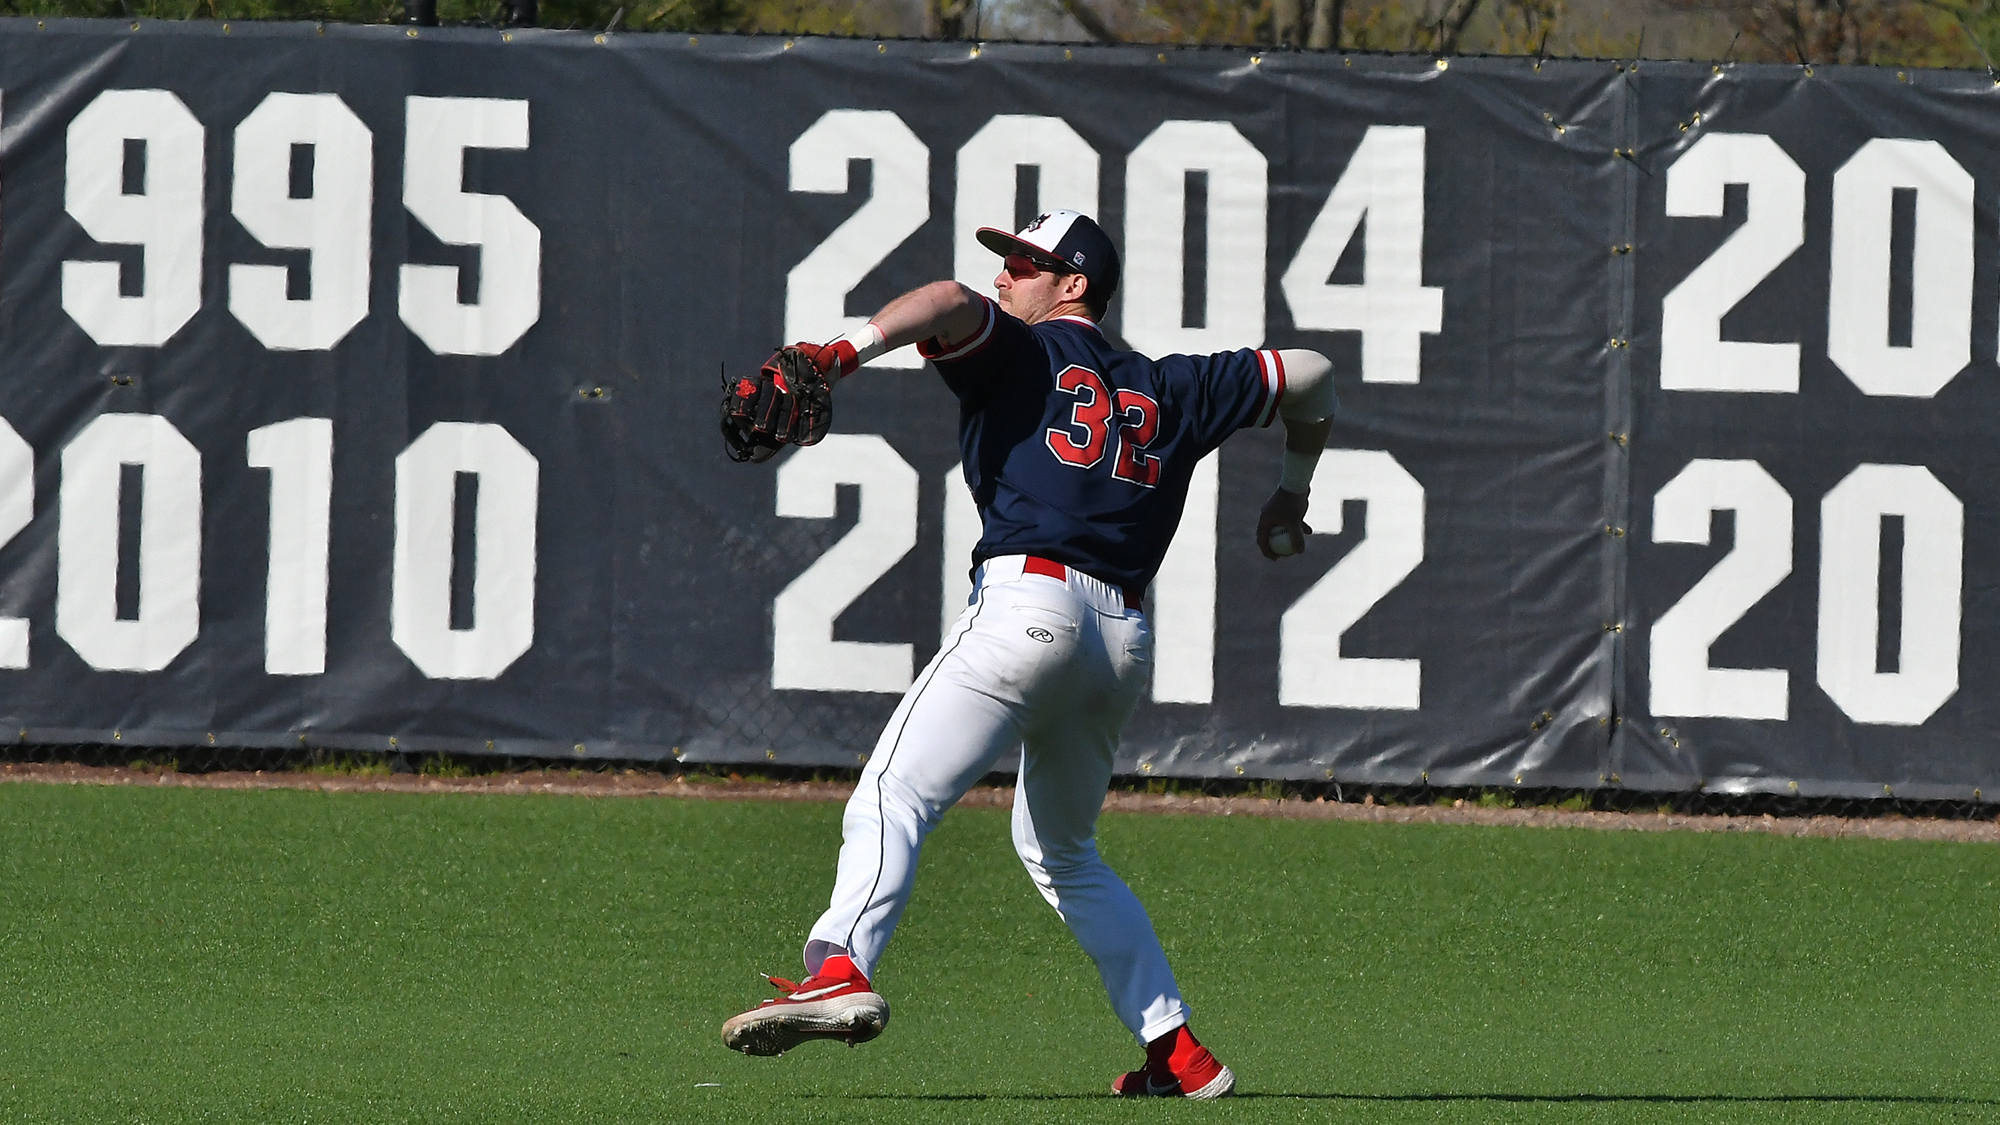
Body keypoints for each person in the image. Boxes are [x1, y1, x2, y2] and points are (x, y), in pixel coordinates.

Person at [720, 210, 1335, 1099]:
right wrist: (1291, 493)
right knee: (1064, 849)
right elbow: (1311, 373)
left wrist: (836, 354)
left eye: (1026, 262)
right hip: (1118, 642)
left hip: (1028, 608)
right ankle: (1179, 1052)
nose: (1006, 275)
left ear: (1074, 284)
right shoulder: (1175, 384)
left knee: (895, 791)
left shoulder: (1024, 350)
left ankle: (841, 964)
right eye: (1006, 260)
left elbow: (946, 299)